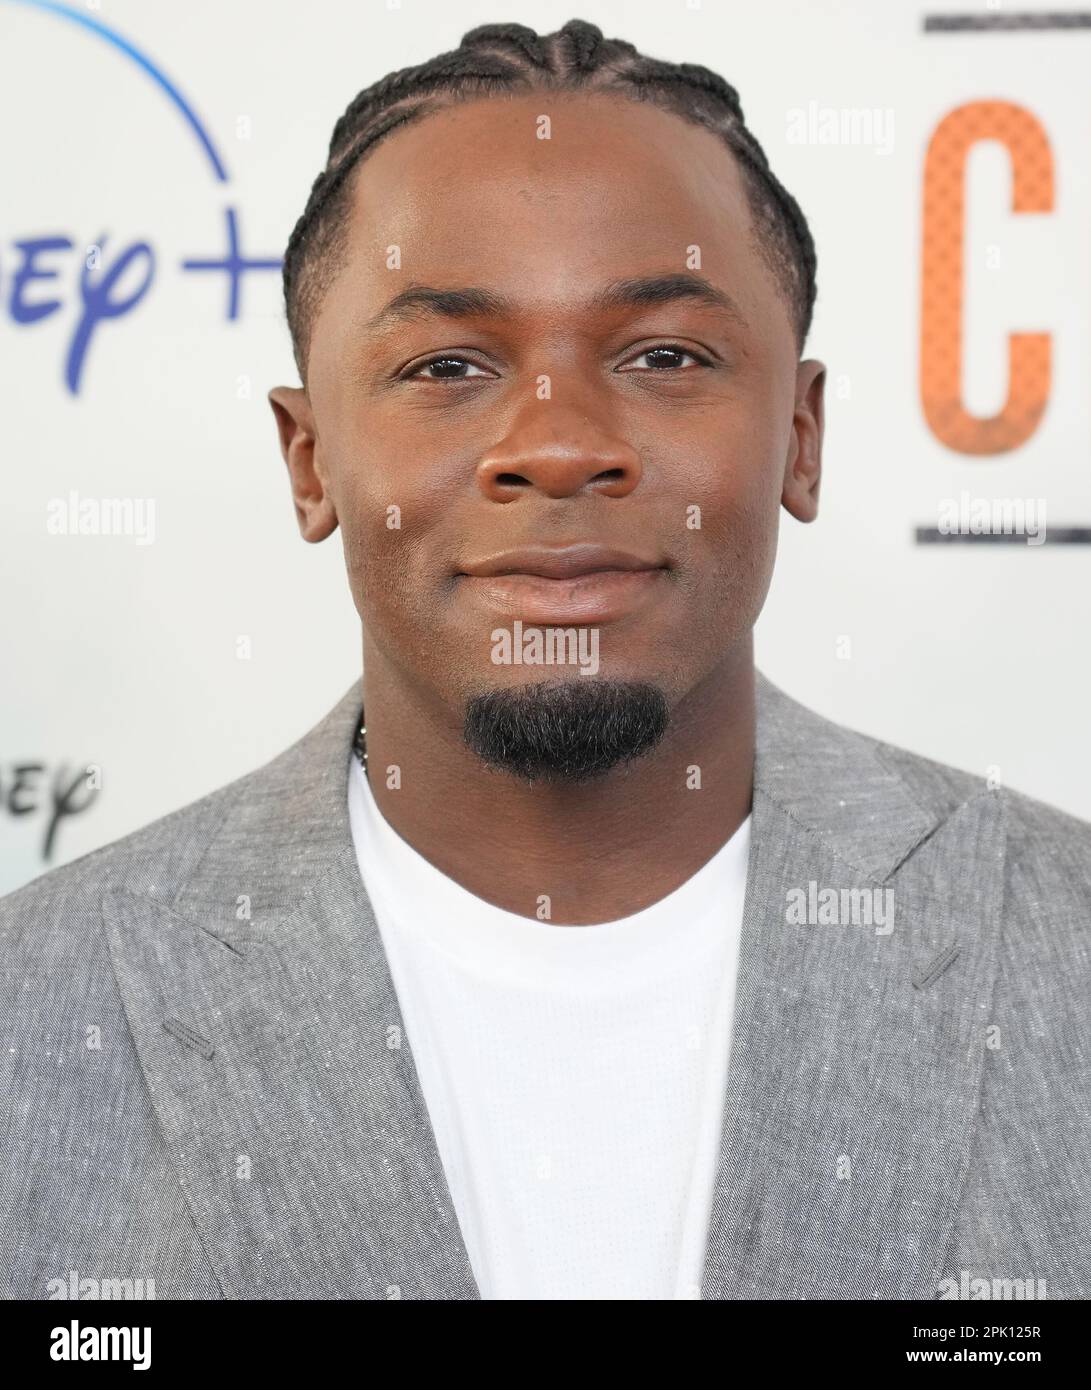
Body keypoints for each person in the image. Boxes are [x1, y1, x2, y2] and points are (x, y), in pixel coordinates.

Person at [2, 19, 1088, 1301]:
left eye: (664, 356)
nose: (558, 445)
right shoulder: (35, 1006)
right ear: (310, 463)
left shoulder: (1060, 942)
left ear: (799, 436)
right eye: (446, 365)